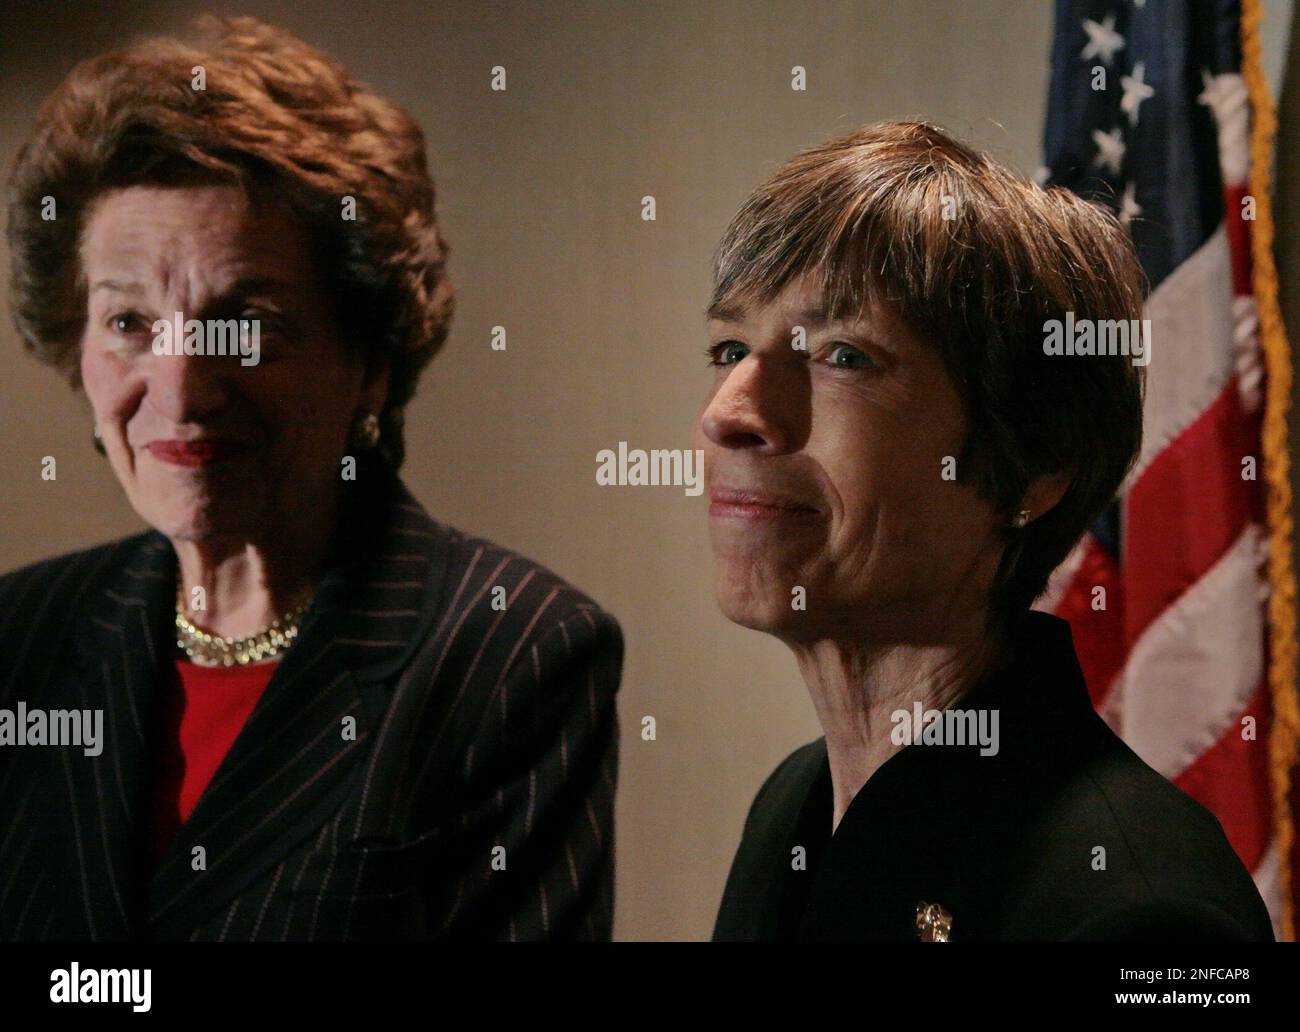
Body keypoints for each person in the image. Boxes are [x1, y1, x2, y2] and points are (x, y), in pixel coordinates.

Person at [0, 15, 621, 941]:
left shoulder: (511, 654)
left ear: (370, 357)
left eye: (244, 322)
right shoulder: (23, 637)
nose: (180, 387)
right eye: (128, 323)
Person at [698, 121, 1273, 941]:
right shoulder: (793, 808)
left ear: (1031, 468)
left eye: (842, 357)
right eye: (728, 348)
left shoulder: (1142, 913)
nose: (730, 414)